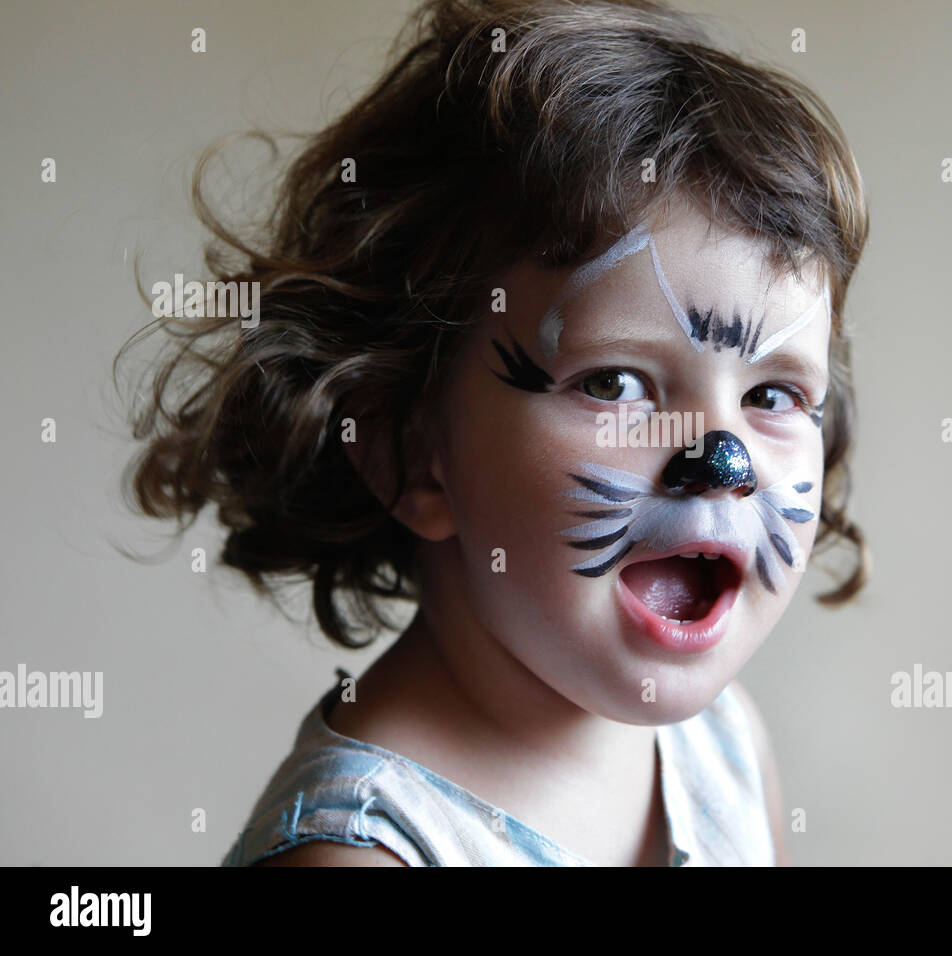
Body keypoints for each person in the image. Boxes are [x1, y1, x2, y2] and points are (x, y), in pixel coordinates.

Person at [117, 0, 870, 866]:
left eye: (774, 396)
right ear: (412, 454)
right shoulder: (366, 855)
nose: (722, 459)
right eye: (615, 383)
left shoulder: (723, 751)